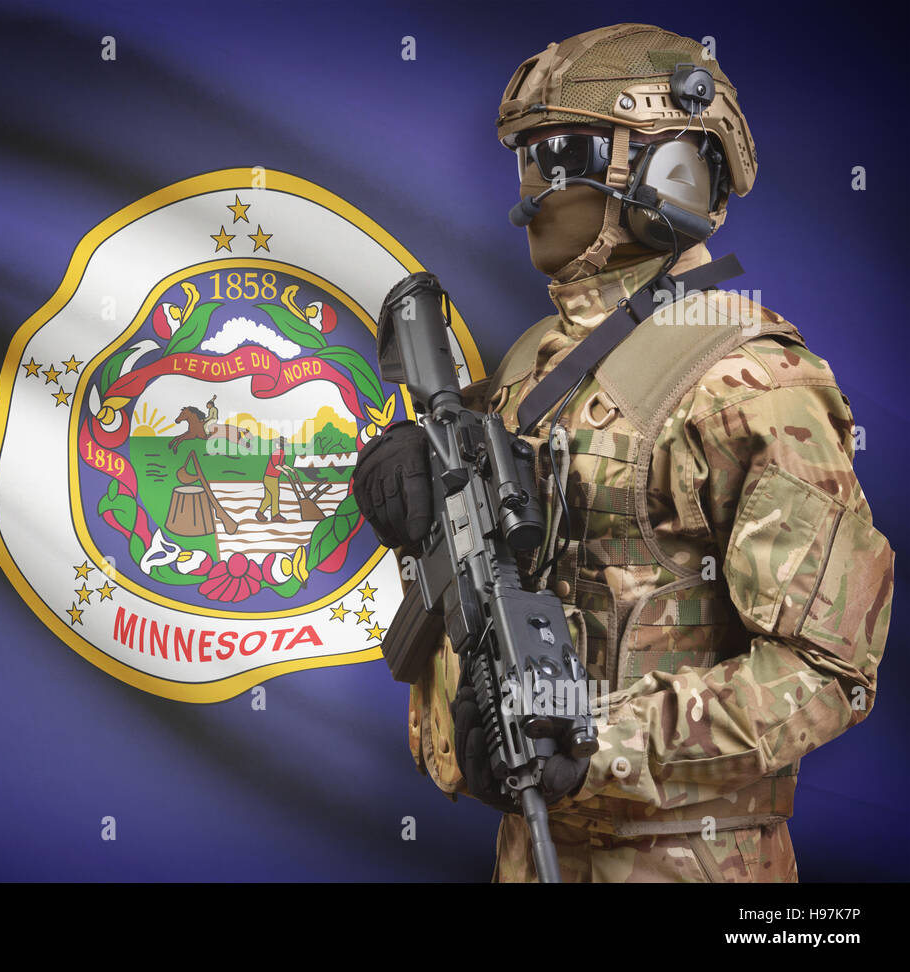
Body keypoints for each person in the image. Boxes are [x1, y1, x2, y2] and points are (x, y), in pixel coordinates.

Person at [354, 23, 894, 882]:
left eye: (560, 152)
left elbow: (826, 670)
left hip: (691, 864)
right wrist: (414, 474)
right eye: (527, 158)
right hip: (532, 855)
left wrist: (597, 740)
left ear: (667, 170)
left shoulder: (751, 380)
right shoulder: (538, 357)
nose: (534, 188)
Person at [257, 436, 291, 522]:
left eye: (276, 443)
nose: (275, 444)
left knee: (268, 498)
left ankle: (259, 513)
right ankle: (275, 515)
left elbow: (282, 464)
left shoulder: (281, 452)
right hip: (270, 478)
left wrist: (290, 469)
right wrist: (284, 471)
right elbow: (276, 465)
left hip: (273, 478)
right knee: (275, 495)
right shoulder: (276, 453)